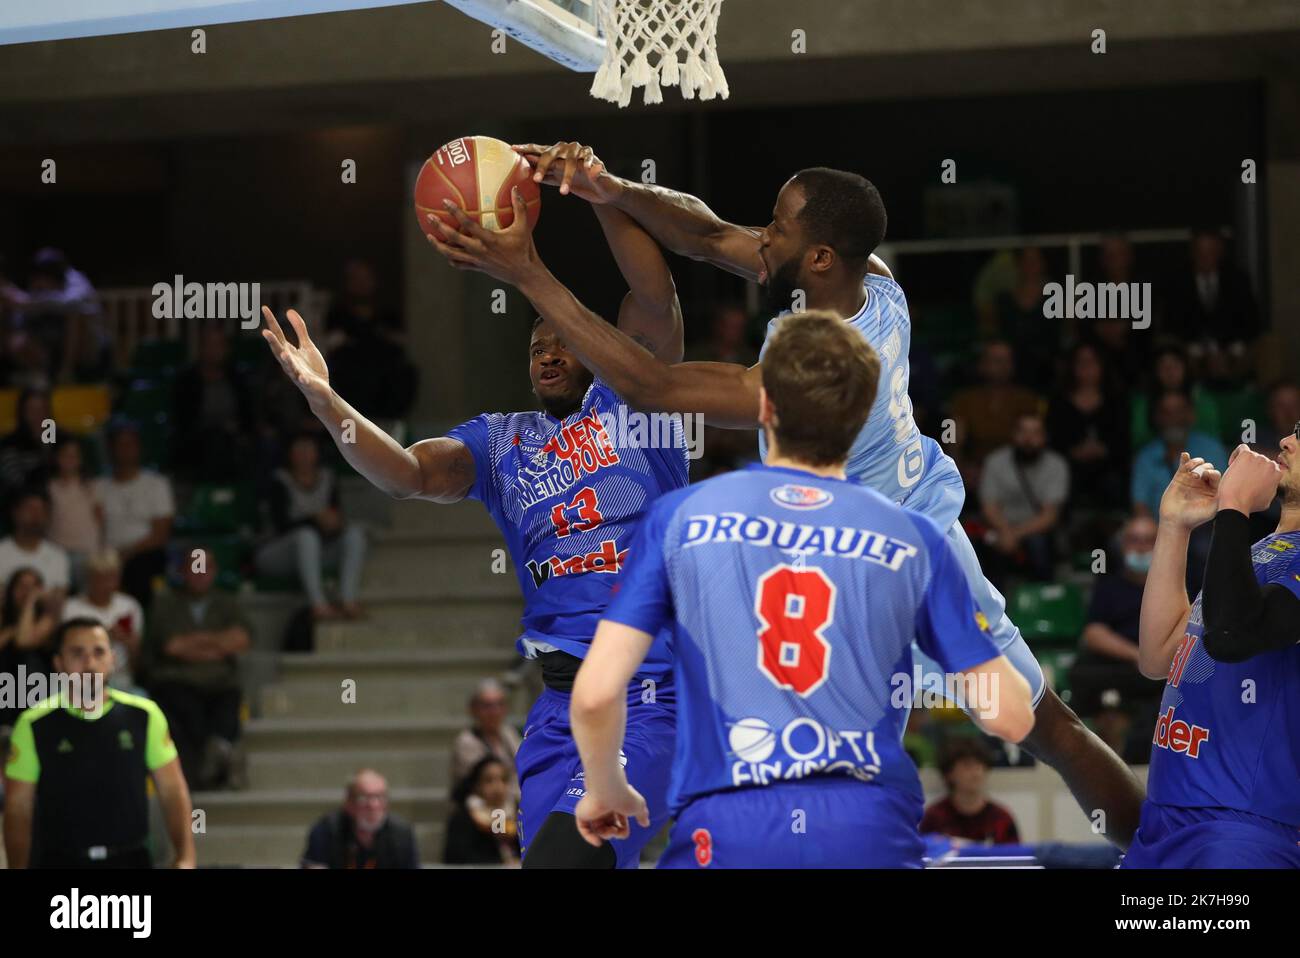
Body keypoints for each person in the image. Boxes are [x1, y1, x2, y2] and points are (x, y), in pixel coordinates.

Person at [427, 139, 1145, 847]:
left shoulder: (801, 374)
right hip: (909, 541)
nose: (760, 236)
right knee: (1035, 731)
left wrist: (526, 272)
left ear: (821, 257)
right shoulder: (873, 278)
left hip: (877, 575)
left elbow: (651, 386)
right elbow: (707, 234)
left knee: (853, 776)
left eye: (778, 227)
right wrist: (609, 188)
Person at [264, 202, 687, 869]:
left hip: (648, 697)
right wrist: (326, 403)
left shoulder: (638, 401)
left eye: (563, 341)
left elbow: (655, 298)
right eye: (535, 347)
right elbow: (404, 475)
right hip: (555, 712)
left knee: (566, 858)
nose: (547, 352)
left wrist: (602, 192)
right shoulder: (500, 440)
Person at [565, 312, 1034, 867]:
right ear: (861, 417)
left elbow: (594, 696)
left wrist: (605, 787)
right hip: (866, 832)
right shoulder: (914, 540)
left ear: (764, 408)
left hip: (726, 830)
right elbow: (1010, 717)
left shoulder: (681, 519)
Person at [1124, 436, 1300, 868]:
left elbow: (1231, 636)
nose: (1286, 439)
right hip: (1165, 817)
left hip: (1242, 827)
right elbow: (1158, 656)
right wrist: (1175, 526)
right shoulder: (1256, 552)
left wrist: (1235, 504)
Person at [2, 617, 195, 868]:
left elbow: (173, 791)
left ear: (113, 660)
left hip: (131, 861)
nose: (89, 663)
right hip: (59, 863)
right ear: (58, 663)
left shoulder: (145, 715)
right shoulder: (33, 724)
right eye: (77, 653)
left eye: (99, 652)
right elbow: (18, 808)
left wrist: (186, 857)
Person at [143, 548, 252, 790]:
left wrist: (194, 643)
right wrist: (218, 645)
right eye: (195, 567)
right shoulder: (166, 603)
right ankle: (212, 766)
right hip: (176, 680)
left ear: (214, 572)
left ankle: (218, 757)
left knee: (228, 706)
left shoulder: (227, 602)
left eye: (207, 567)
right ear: (183, 571)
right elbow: (172, 646)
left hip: (220, 681)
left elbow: (241, 640)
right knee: (189, 712)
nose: (201, 573)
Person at [1068, 515, 1165, 762]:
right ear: (1122, 546)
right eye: (1134, 540)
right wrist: (1136, 654)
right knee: (1079, 674)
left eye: (1148, 541)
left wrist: (1152, 657)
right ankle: (1082, 753)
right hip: (1120, 664)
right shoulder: (1108, 586)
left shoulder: (1175, 584)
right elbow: (1093, 633)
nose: (1141, 547)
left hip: (1158, 670)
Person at [255, 432, 368, 621]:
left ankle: (348, 600)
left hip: (317, 549)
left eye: (309, 450)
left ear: (316, 454)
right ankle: (318, 605)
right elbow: (280, 525)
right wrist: (315, 519)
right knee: (306, 536)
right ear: (290, 454)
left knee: (355, 535)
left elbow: (336, 515)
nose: (305, 455)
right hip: (278, 552)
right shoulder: (279, 480)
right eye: (300, 451)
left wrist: (334, 522)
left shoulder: (327, 477)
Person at [976, 413, 1070, 584]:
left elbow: (1050, 515)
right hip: (1000, 527)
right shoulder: (995, 461)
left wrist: (1015, 535)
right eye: (1023, 432)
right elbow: (989, 506)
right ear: (1013, 434)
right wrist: (1005, 532)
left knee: (1038, 545)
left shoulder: (1057, 465)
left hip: (1035, 530)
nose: (1028, 439)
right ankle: (990, 605)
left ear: (1045, 437)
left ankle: (1043, 599)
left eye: (1035, 433)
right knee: (984, 545)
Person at [93, 423, 175, 609]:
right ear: (111, 449)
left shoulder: (157, 484)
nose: (125, 449)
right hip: (106, 554)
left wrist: (128, 552)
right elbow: (94, 527)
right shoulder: (98, 486)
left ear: (139, 447)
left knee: (142, 568)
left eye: (130, 444)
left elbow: (161, 534)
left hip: (143, 554)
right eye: (120, 444)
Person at [1045, 341, 1130, 510]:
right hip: (1069, 467)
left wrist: (1104, 450)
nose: (1087, 368)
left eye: (1092, 362)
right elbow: (1053, 439)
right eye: (1081, 363)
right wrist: (1074, 451)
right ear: (1072, 366)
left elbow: (1124, 439)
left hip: (1110, 467)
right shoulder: (1058, 401)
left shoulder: (1117, 400)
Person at [172, 323, 255, 480]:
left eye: (219, 345)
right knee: (215, 442)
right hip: (198, 441)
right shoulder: (186, 381)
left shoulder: (237, 379)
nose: (214, 350)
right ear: (201, 348)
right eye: (209, 344)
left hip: (234, 440)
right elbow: (183, 421)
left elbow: (248, 417)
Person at [949, 340, 1044, 471]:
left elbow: (1033, 439)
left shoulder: (1027, 399)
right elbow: (950, 438)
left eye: (1007, 361)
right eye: (996, 360)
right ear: (982, 365)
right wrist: (959, 470)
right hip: (973, 468)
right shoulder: (962, 400)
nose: (1002, 366)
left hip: (1017, 468)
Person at [1131, 391, 1228, 520]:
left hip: (1206, 528)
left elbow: (1225, 499)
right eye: (1166, 413)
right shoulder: (1146, 457)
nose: (1174, 419)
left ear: (1191, 414)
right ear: (1157, 418)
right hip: (1159, 532)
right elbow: (1140, 506)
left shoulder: (1212, 449)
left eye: (1179, 411)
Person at [62, 549, 146, 695]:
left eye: (111, 577)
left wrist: (130, 644)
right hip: (80, 681)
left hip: (122, 681)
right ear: (89, 578)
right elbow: (65, 655)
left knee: (141, 697)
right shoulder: (71, 608)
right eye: (100, 578)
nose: (106, 584)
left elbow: (138, 663)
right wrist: (104, 636)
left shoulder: (130, 606)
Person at [302, 768, 419, 869]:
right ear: (348, 803)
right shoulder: (327, 830)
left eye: (380, 797)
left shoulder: (401, 834)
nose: (373, 805)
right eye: (364, 798)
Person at [920, 737, 1021, 845]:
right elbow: (922, 855)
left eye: (979, 765)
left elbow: (1015, 857)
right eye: (967, 766)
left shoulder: (1001, 818)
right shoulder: (934, 818)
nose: (976, 773)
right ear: (949, 773)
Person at [0, 568, 62, 732]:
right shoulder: (3, 617)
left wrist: (30, 603)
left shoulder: (48, 617)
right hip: (5, 686)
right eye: (22, 586)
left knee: (27, 660)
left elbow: (23, 642)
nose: (28, 592)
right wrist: (13, 630)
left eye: (33, 587)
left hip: (35, 685)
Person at [443, 755, 521, 866]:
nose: (498, 787)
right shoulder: (463, 819)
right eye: (489, 781)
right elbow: (457, 859)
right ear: (476, 786)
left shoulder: (518, 814)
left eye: (503, 780)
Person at [46, 438, 102, 586]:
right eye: (66, 455)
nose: (70, 460)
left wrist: (100, 547)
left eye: (75, 455)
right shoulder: (50, 487)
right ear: (56, 458)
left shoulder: (90, 486)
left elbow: (100, 517)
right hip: (57, 550)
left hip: (87, 551)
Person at [450, 678, 521, 796]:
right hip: (480, 807)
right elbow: (483, 785)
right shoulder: (465, 742)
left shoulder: (509, 733)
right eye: (487, 706)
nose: (495, 711)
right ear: (474, 709)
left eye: (500, 704)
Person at [0, 489, 71, 592]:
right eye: (30, 508)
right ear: (15, 513)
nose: (36, 515)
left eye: (42, 510)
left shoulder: (58, 557)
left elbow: (59, 599)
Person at [0, 387, 56, 499]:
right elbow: (16, 484)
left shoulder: (59, 438)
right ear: (22, 413)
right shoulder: (10, 443)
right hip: (30, 503)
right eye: (32, 410)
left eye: (42, 409)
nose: (38, 414)